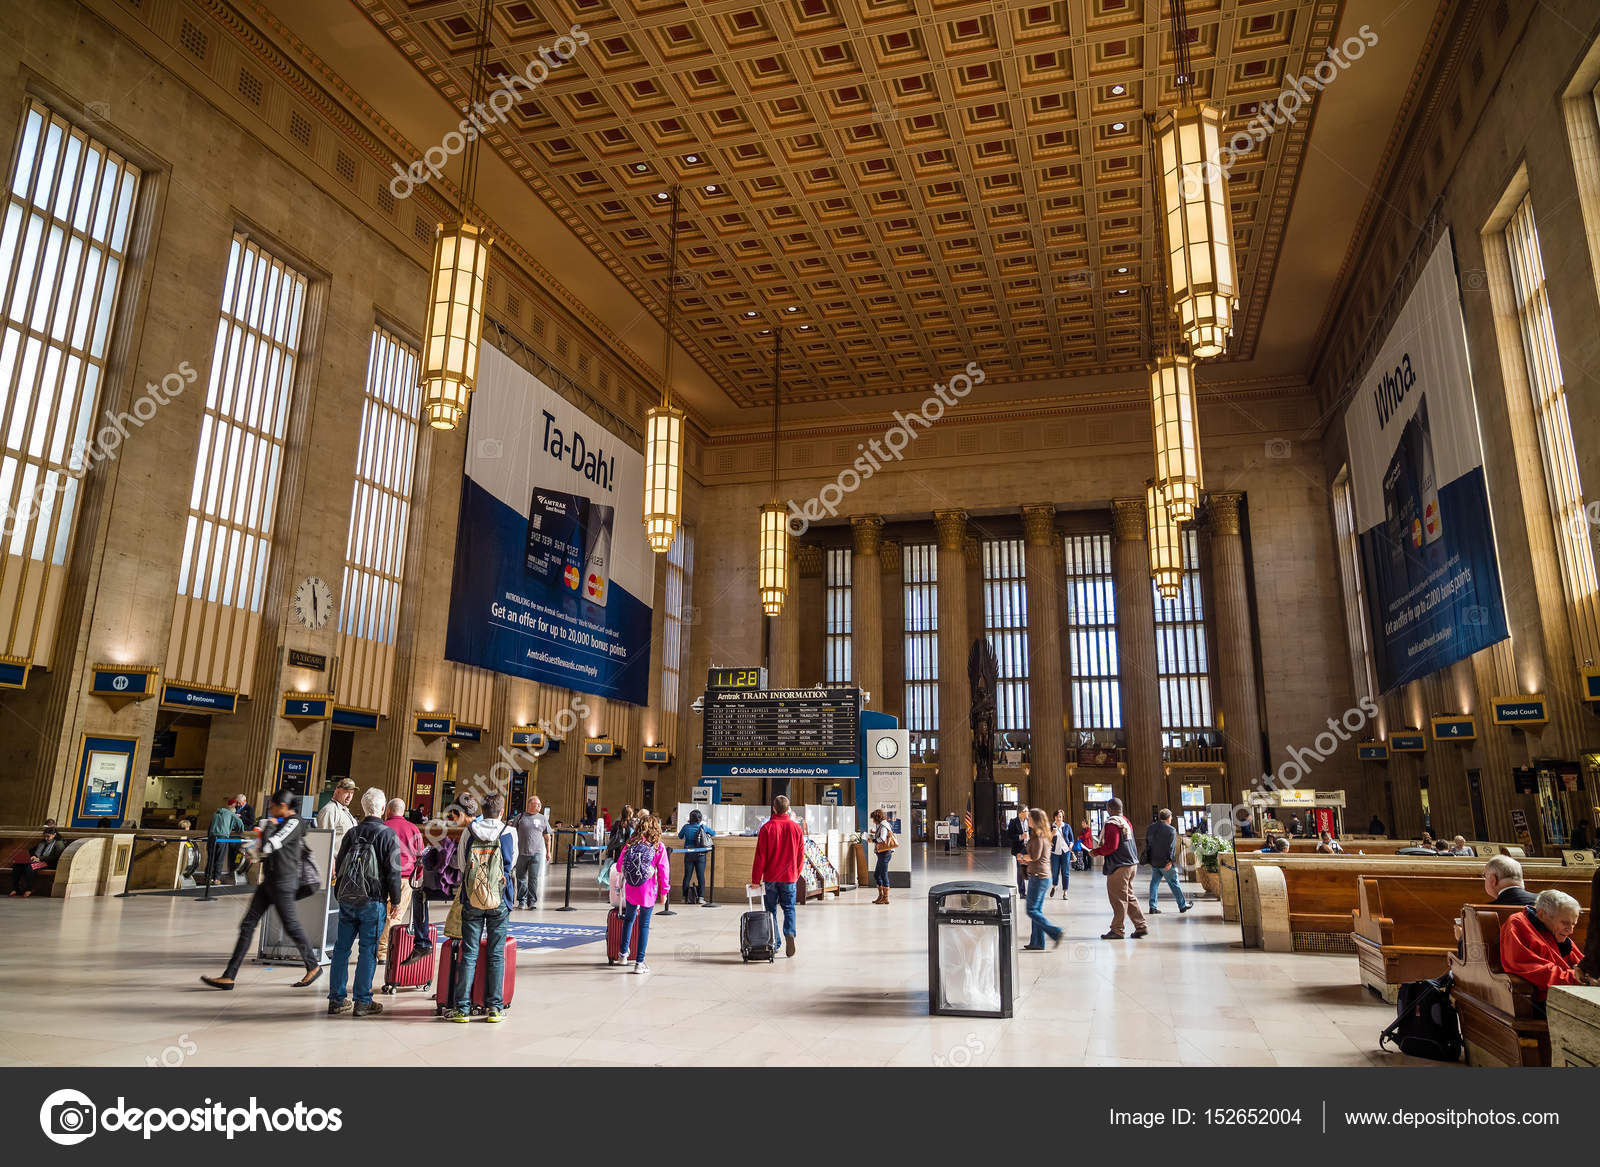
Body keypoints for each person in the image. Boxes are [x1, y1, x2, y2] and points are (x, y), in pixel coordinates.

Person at [201, 790, 322, 990]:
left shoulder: (294, 822)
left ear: (283, 806)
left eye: (273, 806)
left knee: (292, 926)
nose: (270, 809)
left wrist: (268, 828)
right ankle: (229, 975)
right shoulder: (283, 822)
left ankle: (313, 966)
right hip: (271, 881)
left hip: (284, 883)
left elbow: (269, 846)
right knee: (248, 925)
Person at [326, 788, 403, 1017]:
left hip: (348, 898)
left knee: (341, 948)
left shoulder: (352, 833)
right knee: (368, 950)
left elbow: (340, 865)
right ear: (382, 809)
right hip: (374, 900)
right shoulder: (388, 835)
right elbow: (393, 872)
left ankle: (337, 999)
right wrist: (396, 900)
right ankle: (362, 1001)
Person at [441, 793, 516, 1022]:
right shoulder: (509, 832)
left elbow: (462, 866)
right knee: (496, 955)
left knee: (469, 954)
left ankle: (462, 1008)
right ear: (501, 812)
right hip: (499, 900)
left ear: (482, 810)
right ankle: (494, 1008)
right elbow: (512, 863)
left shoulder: (469, 831)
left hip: (472, 898)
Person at [1499, 890, 1585, 1006]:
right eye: (1565, 923)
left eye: (1573, 924)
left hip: (1569, 993)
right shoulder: (1517, 924)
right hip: (1545, 1001)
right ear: (1542, 915)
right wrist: (1580, 979)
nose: (1571, 931)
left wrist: (1590, 974)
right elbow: (1534, 970)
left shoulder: (1554, 931)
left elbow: (1581, 963)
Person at [615, 814, 670, 974]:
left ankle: (623, 954)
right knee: (644, 924)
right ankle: (639, 962)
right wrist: (664, 892)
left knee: (629, 919)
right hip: (648, 889)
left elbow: (619, 866)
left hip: (631, 886)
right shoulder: (658, 846)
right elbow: (663, 871)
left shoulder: (631, 843)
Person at [751, 794, 804, 958]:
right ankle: (790, 933)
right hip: (789, 877)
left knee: (771, 910)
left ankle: (775, 941)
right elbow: (801, 855)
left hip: (771, 877)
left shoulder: (767, 828)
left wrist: (755, 880)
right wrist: (796, 873)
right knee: (789, 908)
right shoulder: (796, 828)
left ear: (773, 808)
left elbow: (760, 856)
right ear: (788, 809)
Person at [376, 798, 425, 964]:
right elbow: (420, 856)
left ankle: (376, 948)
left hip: (380, 878)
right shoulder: (412, 828)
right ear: (403, 812)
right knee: (394, 916)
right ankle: (384, 952)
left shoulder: (381, 827)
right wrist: (417, 877)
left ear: (388, 810)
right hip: (404, 878)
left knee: (378, 914)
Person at [1091, 798, 1146, 940]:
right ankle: (1141, 926)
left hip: (1119, 866)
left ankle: (1117, 930)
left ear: (1109, 809)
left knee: (1118, 899)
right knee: (1129, 896)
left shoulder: (1112, 824)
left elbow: (1112, 846)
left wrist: (1096, 852)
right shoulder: (1125, 821)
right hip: (1131, 864)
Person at [1020, 807, 1062, 951]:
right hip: (1041, 875)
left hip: (1038, 876)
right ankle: (1037, 942)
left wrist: (1021, 857)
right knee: (1036, 910)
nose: (1028, 819)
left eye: (1030, 817)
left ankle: (1055, 932)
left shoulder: (1038, 836)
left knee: (1031, 910)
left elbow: (1034, 857)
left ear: (1036, 820)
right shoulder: (1043, 834)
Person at [1144, 808, 1191, 915]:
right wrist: (1170, 861)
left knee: (1154, 883)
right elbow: (1171, 848)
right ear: (1168, 818)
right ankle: (1182, 905)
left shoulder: (1151, 828)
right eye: (1171, 817)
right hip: (1165, 862)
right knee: (1174, 883)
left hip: (1154, 861)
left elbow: (1148, 844)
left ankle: (1152, 906)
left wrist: (1150, 859)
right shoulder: (1171, 830)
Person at [513, 796, 551, 908]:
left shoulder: (543, 818)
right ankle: (522, 900)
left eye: (540, 804)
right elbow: (512, 833)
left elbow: (547, 837)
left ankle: (532, 901)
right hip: (521, 852)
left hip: (537, 853)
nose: (540, 806)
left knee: (533, 878)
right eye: (537, 804)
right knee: (520, 877)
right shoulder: (520, 817)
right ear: (530, 804)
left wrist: (548, 851)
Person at [9, 824, 66, 897]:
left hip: (48, 863)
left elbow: (56, 857)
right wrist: (31, 856)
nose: (46, 838)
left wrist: (40, 859)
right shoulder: (42, 842)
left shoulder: (59, 844)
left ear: (54, 835)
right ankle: (15, 888)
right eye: (44, 836)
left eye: (48, 836)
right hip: (38, 861)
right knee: (17, 865)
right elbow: (32, 851)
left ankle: (29, 889)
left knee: (31, 866)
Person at [676, 808, 715, 904]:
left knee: (687, 876)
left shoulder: (686, 827)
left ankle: (684, 897)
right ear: (700, 818)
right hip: (700, 854)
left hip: (689, 854)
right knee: (700, 876)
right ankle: (701, 897)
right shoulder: (703, 827)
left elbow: (680, 836)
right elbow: (714, 833)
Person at [205, 797, 244, 886]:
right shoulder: (231, 813)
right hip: (222, 837)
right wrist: (240, 831)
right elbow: (240, 824)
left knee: (211, 858)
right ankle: (216, 879)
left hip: (212, 837)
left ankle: (208, 878)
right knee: (219, 858)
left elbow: (210, 826)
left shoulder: (216, 813)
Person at [317, 778, 358, 859]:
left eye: (352, 793)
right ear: (337, 791)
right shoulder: (329, 811)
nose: (349, 797)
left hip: (345, 863)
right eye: (347, 792)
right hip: (335, 864)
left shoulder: (344, 811)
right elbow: (323, 841)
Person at [865, 808, 894, 904]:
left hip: (885, 853)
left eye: (873, 818)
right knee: (878, 874)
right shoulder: (881, 825)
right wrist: (874, 832)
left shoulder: (883, 825)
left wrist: (872, 840)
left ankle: (885, 897)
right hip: (882, 853)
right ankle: (881, 896)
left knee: (882, 874)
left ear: (877, 818)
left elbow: (882, 838)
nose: (873, 820)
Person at [1004, 808, 1028, 898]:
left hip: (1029, 847)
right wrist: (1020, 837)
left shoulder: (1029, 821)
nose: (1027, 813)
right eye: (1026, 811)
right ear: (1021, 812)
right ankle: (1022, 892)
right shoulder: (1013, 822)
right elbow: (1009, 836)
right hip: (1019, 849)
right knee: (1021, 869)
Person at [1049, 809, 1070, 898]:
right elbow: (1046, 839)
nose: (1059, 818)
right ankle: (1054, 886)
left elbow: (1071, 839)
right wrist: (1051, 834)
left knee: (1065, 872)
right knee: (1055, 871)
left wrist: (1071, 845)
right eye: (1057, 816)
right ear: (1054, 817)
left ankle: (1065, 892)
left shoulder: (1067, 826)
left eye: (1060, 816)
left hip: (1065, 852)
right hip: (1054, 853)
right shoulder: (1051, 827)